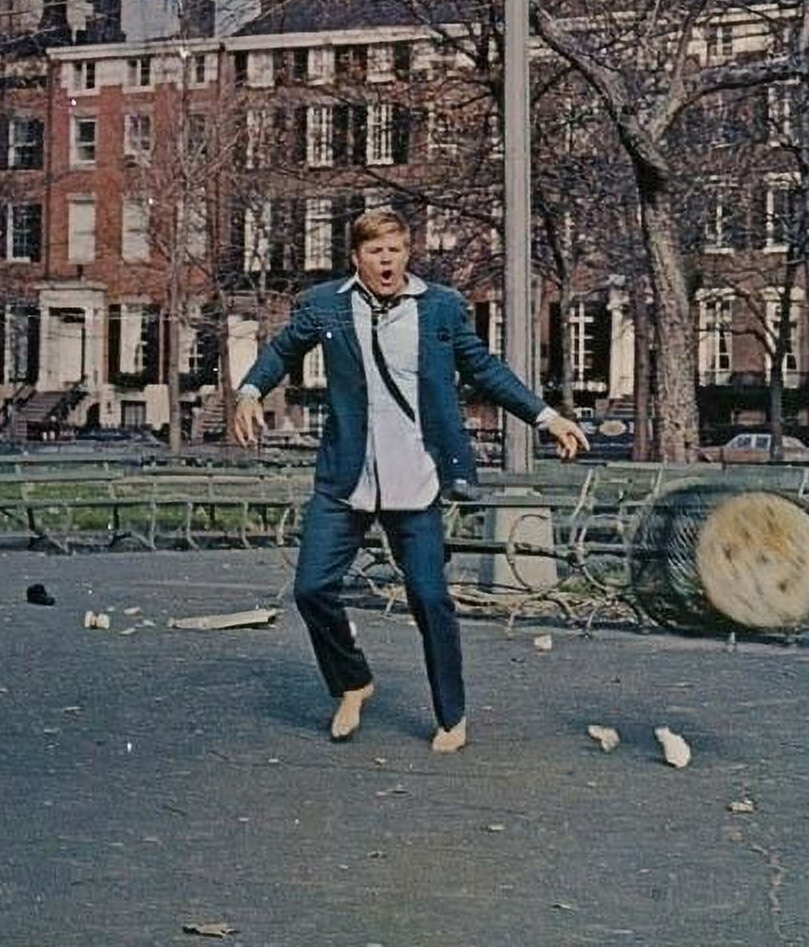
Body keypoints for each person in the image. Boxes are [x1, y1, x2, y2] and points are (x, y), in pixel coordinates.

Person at [233, 208, 588, 752]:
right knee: (311, 589)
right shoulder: (326, 304)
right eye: (376, 252)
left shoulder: (440, 306)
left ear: (407, 253)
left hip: (414, 479)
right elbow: (282, 351)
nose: (387, 261)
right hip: (347, 478)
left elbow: (484, 369)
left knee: (429, 597)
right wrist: (250, 391)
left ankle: (452, 715)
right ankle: (352, 681)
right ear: (356, 257)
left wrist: (546, 417)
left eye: (395, 250)